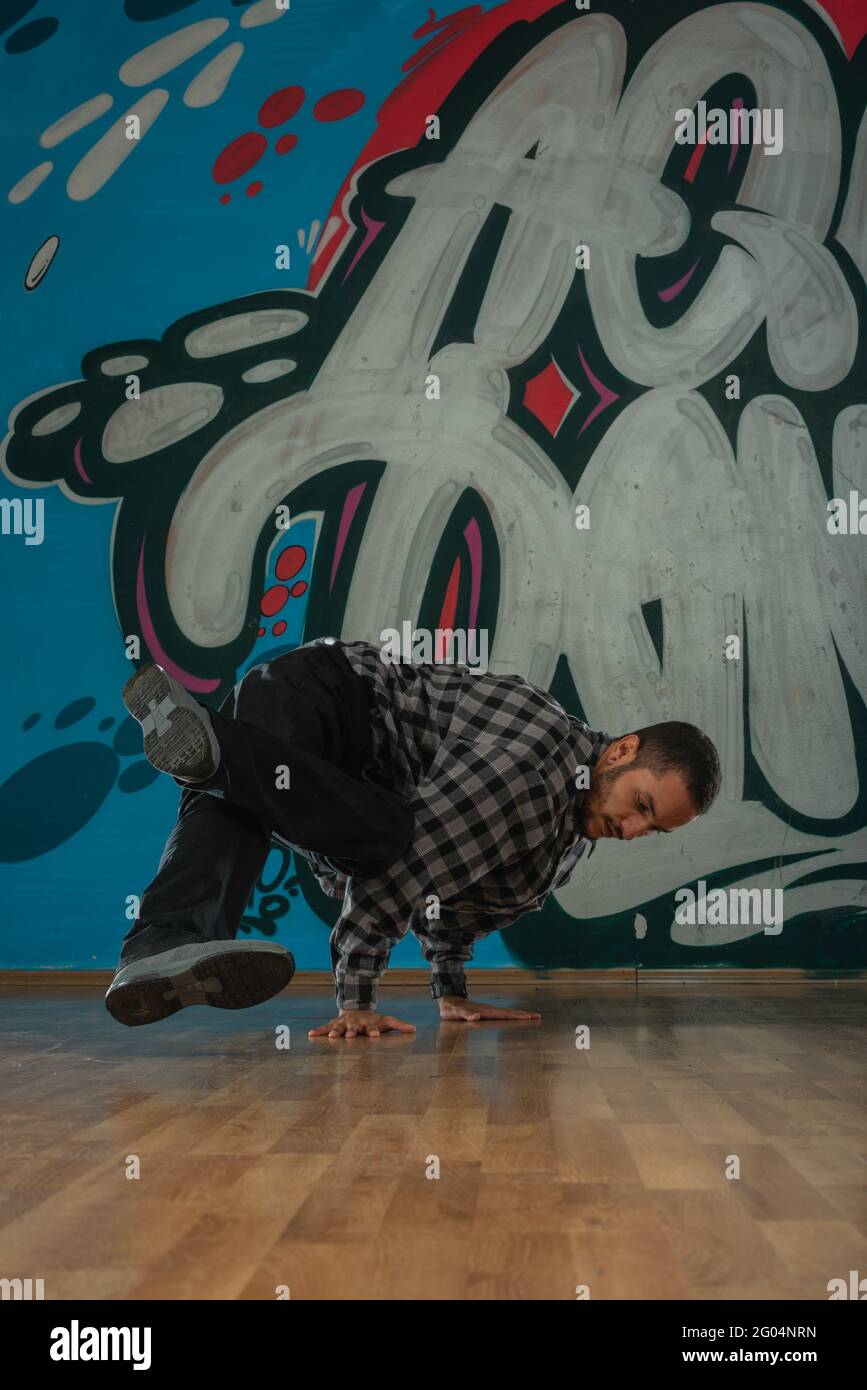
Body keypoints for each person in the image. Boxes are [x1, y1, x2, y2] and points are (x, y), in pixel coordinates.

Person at [104, 636, 721, 1039]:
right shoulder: (536, 777)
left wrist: (449, 989)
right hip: (330, 701)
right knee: (387, 835)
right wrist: (357, 999)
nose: (632, 829)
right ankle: (220, 752)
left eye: (652, 829)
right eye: (641, 804)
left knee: (237, 796)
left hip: (304, 736)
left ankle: (156, 946)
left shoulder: (570, 828)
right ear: (622, 750)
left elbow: (457, 900)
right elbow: (412, 863)